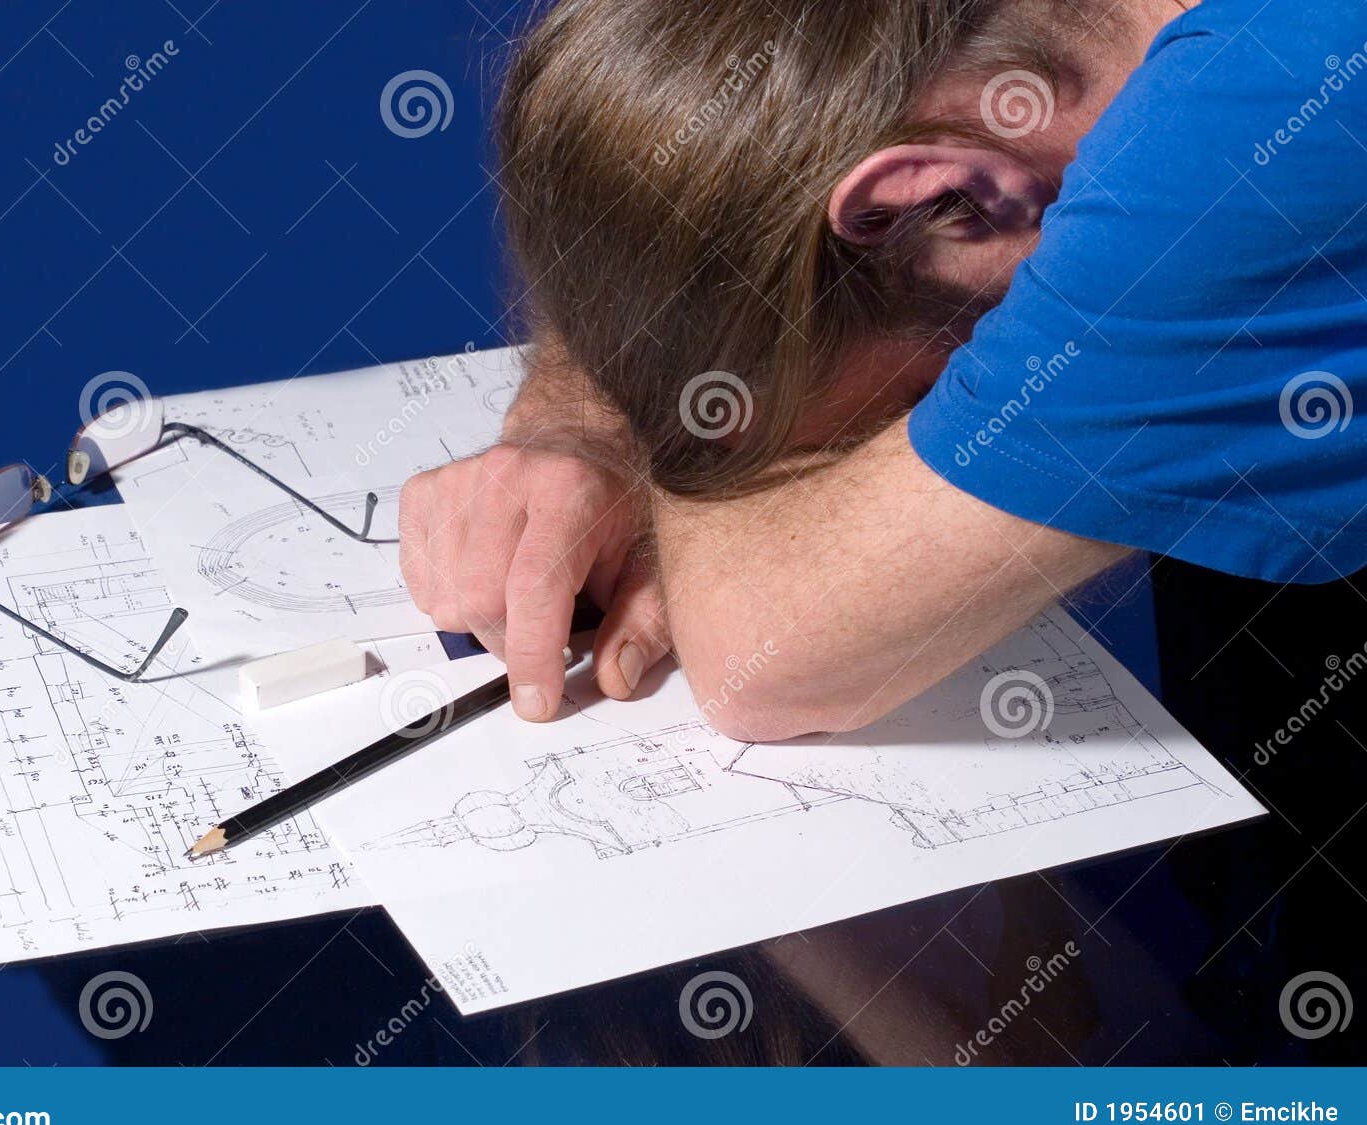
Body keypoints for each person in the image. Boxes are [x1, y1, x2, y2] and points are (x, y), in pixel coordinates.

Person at [397, 0, 1367, 746]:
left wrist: (689, 445)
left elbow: (768, 660)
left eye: (906, 411)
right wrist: (587, 415)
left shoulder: (1254, 145)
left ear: (942, 200)